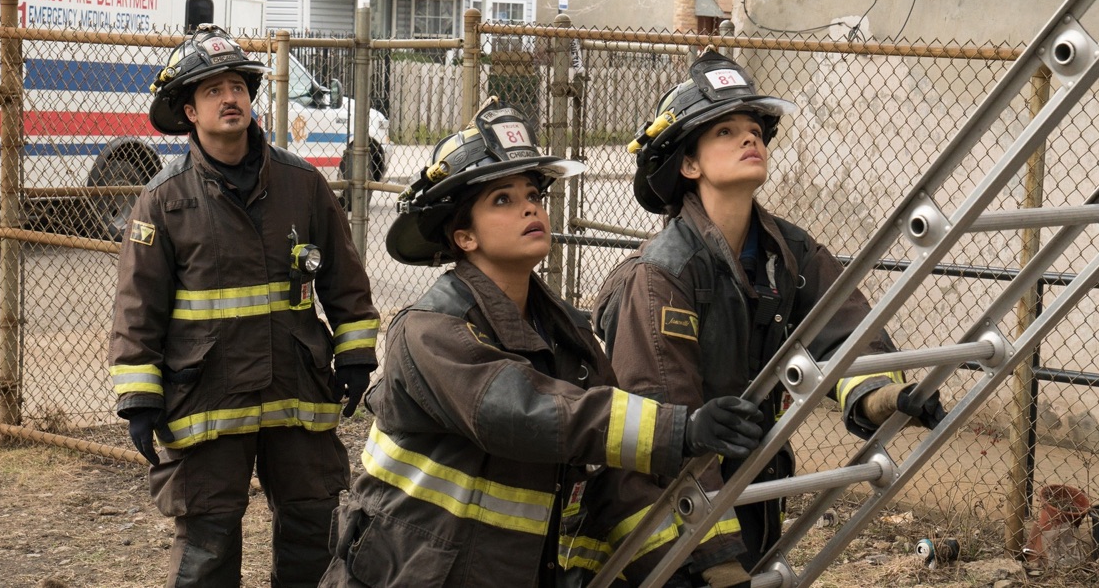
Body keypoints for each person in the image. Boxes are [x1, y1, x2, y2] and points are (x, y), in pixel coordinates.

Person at [319, 98, 770, 588]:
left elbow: (610, 475)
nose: (531, 206)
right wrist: (677, 430)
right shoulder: (429, 329)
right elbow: (516, 411)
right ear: (464, 237)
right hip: (407, 574)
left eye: (533, 193)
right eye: (502, 200)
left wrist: (693, 564)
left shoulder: (567, 339)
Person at [592, 49, 946, 587]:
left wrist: (885, 397)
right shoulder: (659, 276)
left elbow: (844, 336)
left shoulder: (791, 255)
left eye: (755, 128)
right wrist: (720, 563)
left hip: (752, 492)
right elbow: (662, 426)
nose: (749, 138)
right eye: (725, 131)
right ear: (689, 165)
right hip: (669, 525)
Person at [108, 24, 380, 588]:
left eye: (237, 85)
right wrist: (138, 396)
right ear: (189, 111)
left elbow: (345, 281)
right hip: (208, 395)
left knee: (312, 526)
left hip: (295, 390)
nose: (229, 97)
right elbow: (139, 308)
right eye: (212, 90)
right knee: (207, 537)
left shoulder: (302, 184)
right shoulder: (163, 200)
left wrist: (356, 355)